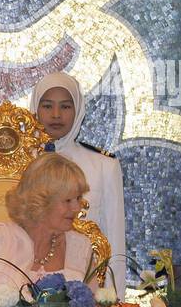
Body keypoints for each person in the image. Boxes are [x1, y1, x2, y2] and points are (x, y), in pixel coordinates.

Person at [29, 72, 126, 288]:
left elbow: (115, 247)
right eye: (47, 106)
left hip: (85, 288)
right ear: (35, 109)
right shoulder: (21, 163)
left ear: (78, 109)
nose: (56, 115)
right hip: (25, 286)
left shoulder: (103, 166)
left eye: (65, 106)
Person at [0, 153, 101, 299]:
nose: (76, 208)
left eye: (78, 198)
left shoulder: (80, 246)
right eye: (67, 200)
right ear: (40, 202)